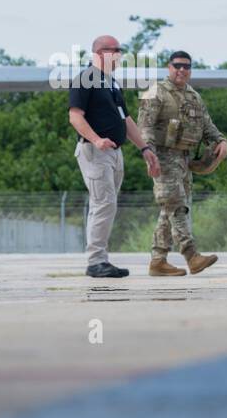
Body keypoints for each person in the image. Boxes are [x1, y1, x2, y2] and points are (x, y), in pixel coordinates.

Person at [68, 35, 160, 278]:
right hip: (95, 151)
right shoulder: (85, 79)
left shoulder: (111, 83)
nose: (119, 55)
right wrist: (97, 139)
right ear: (99, 53)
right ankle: (96, 261)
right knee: (103, 204)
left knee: (107, 205)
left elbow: (125, 119)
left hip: (114, 153)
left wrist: (145, 148)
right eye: (115, 50)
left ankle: (101, 259)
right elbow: (75, 115)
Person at [137, 51, 227, 276]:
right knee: (176, 205)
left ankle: (158, 261)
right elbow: (145, 127)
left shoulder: (194, 97)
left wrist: (221, 141)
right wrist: (148, 153)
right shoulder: (155, 92)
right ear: (169, 67)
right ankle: (192, 256)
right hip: (163, 157)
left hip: (184, 161)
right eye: (177, 65)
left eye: (186, 66)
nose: (181, 70)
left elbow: (207, 126)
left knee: (169, 209)